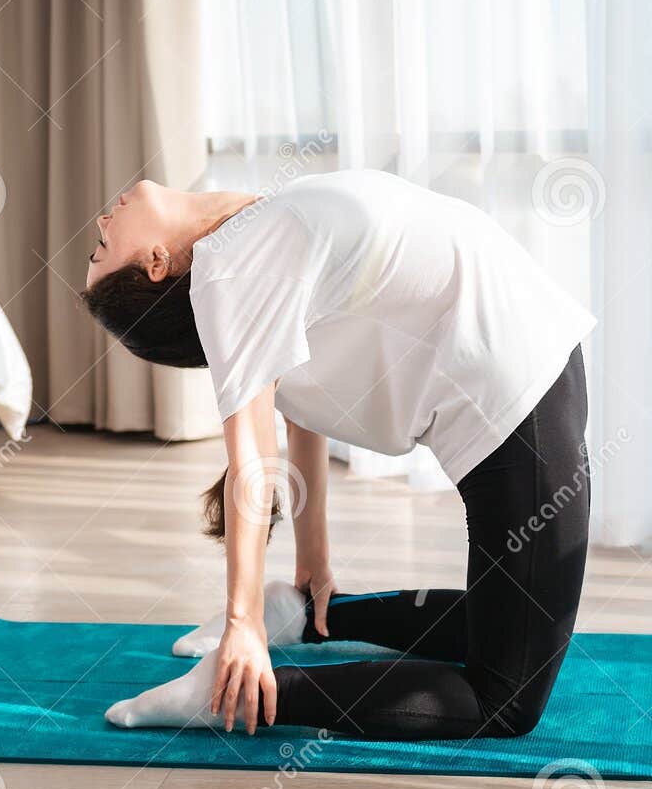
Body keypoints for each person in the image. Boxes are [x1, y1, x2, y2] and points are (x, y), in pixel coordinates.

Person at [80, 170, 593, 740]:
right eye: (103, 245)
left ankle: (304, 618)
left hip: (523, 364)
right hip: (518, 393)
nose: (103, 220)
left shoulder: (249, 234)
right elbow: (254, 459)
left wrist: (312, 573)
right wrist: (241, 627)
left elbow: (304, 415)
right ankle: (228, 693)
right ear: (155, 263)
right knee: (506, 700)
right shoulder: (234, 262)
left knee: (515, 628)